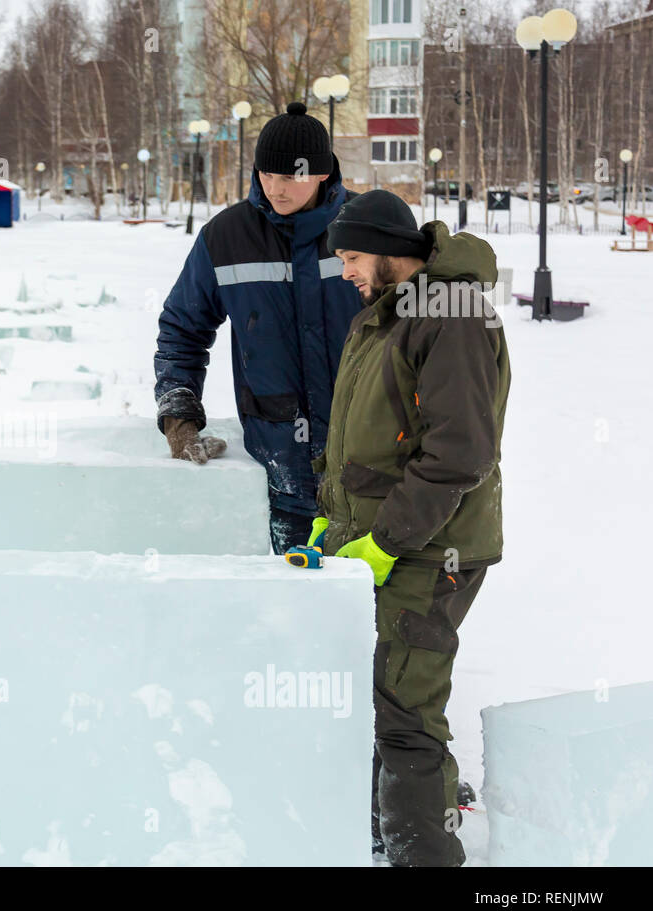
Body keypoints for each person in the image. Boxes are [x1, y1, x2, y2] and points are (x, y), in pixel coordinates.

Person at [314, 189, 510, 866]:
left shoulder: (448, 315)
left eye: (352, 256)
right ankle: (391, 836)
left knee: (405, 710)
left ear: (392, 251)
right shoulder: (385, 317)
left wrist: (387, 540)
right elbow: (362, 444)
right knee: (389, 700)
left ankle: (421, 855)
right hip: (393, 544)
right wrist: (329, 522)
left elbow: (460, 453)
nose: (346, 271)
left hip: (433, 549)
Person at [154, 103, 363, 553]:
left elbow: (422, 324)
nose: (276, 189)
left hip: (370, 471)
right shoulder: (226, 237)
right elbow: (181, 328)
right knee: (287, 613)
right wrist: (179, 415)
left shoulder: (367, 228)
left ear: (323, 173)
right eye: (267, 175)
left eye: (290, 177)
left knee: (368, 616)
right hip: (280, 474)